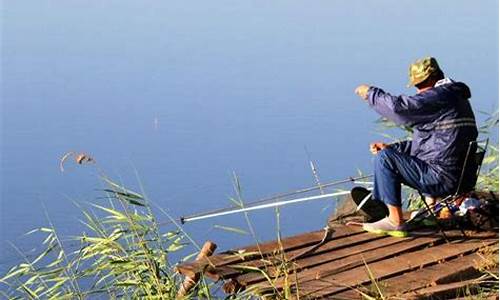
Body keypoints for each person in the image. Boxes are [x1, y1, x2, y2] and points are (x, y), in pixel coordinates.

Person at [354, 57, 478, 237]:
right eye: (416, 86)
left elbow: (399, 109)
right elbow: (436, 143)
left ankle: (395, 221)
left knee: (384, 158)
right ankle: (433, 210)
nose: (418, 90)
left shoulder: (439, 96)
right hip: (460, 179)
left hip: (441, 178)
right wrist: (393, 148)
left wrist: (370, 93)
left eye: (420, 84)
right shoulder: (456, 98)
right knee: (390, 153)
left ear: (432, 78)